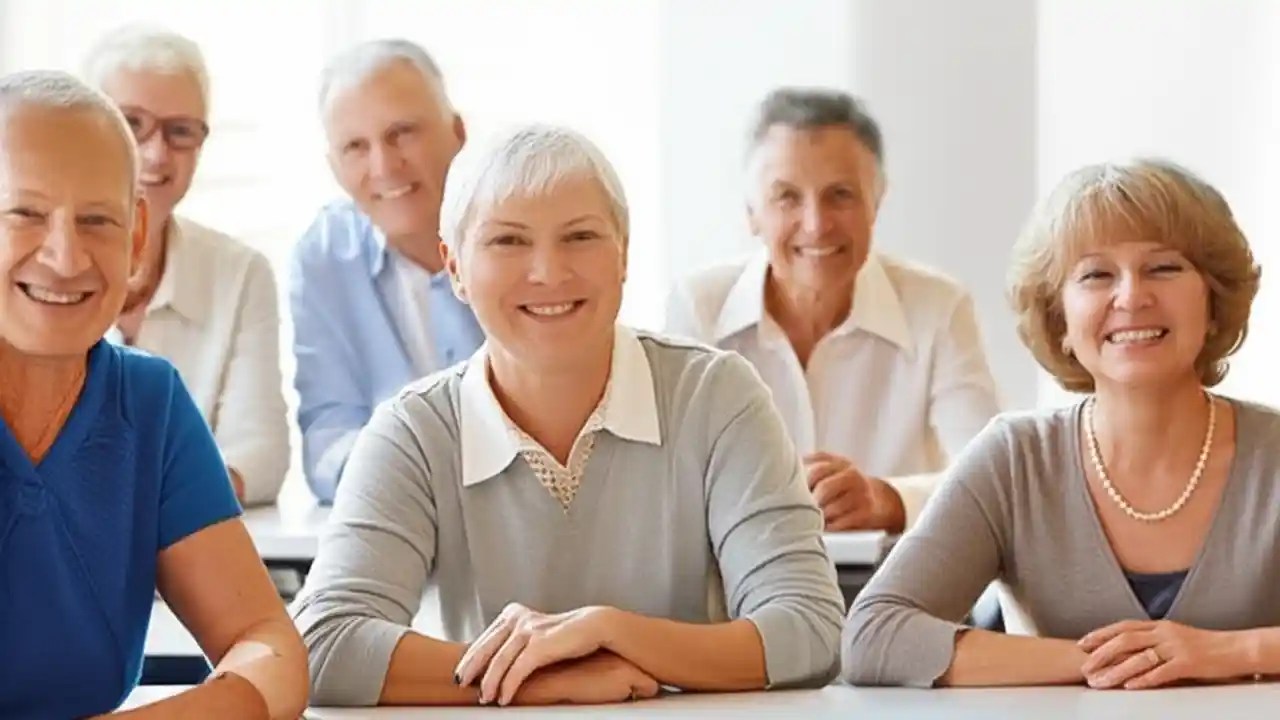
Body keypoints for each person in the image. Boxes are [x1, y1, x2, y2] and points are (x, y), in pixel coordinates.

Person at [291, 125, 844, 707]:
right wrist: (542, 679)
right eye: (508, 241)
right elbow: (321, 646)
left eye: (580, 237)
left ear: (623, 253)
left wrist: (610, 631)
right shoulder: (414, 432)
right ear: (454, 268)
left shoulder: (716, 395)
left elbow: (808, 629)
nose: (548, 272)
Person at [841, 158, 1280, 689]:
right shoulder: (1014, 459)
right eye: (1096, 275)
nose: (1131, 296)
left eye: (1164, 268)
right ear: (1059, 320)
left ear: (1213, 302)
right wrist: (1107, 661)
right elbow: (874, 635)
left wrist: (1225, 652)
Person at [0, 70, 307, 718]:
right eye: (25, 214)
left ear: (136, 235)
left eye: (97, 221)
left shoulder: (148, 404)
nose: (65, 257)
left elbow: (267, 644)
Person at [666, 88, 999, 534]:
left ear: (876, 202)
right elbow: (672, 486)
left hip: (892, 574)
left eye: (840, 195)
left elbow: (993, 477)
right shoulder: (699, 307)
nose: (816, 224)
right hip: (740, 574)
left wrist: (889, 500)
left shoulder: (938, 307)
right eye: (787, 197)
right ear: (752, 213)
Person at [82, 25, 288, 506]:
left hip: (187, 540)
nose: (156, 154)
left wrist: (147, 507)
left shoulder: (240, 272)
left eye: (180, 132)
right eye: (131, 123)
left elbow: (260, 456)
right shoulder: (33, 267)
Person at [291, 39, 483, 503]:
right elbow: (328, 446)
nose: (384, 166)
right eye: (355, 147)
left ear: (458, 133)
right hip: (396, 516)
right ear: (334, 167)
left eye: (403, 133)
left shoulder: (520, 230)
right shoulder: (324, 257)